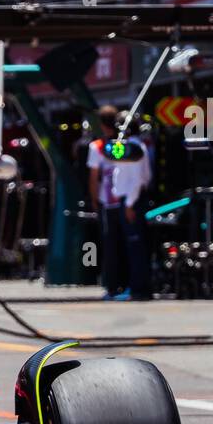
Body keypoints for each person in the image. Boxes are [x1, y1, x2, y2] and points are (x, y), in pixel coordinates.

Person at [88, 105, 127, 299]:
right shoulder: (122, 145)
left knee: (110, 245)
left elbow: (94, 177)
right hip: (124, 199)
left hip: (108, 202)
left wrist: (94, 200)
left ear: (102, 125)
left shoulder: (96, 147)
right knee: (124, 243)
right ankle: (125, 283)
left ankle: (112, 286)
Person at [109, 137, 152, 300]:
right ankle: (134, 287)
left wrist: (129, 204)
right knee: (131, 246)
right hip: (127, 200)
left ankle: (138, 289)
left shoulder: (133, 148)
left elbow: (138, 179)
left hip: (132, 201)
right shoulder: (124, 147)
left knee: (136, 247)